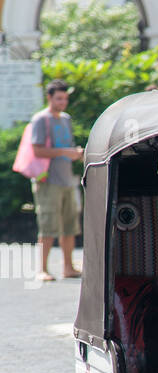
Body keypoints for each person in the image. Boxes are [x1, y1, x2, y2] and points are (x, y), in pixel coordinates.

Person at [30, 79, 84, 282]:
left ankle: (68, 266)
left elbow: (66, 146)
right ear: (49, 97)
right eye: (59, 98)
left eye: (65, 98)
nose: (63, 102)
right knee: (48, 225)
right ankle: (42, 269)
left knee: (70, 225)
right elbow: (37, 150)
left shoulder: (66, 119)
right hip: (48, 180)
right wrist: (64, 152)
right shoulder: (40, 119)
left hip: (67, 179)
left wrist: (74, 153)